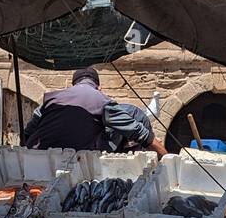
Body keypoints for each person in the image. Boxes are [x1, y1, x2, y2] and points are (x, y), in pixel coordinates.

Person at [22, 66, 166, 155]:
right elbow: (141, 133)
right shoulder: (101, 101)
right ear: (98, 87)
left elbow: (27, 133)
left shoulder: (51, 100)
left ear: (74, 85)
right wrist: (167, 157)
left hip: (34, 160)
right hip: (70, 164)